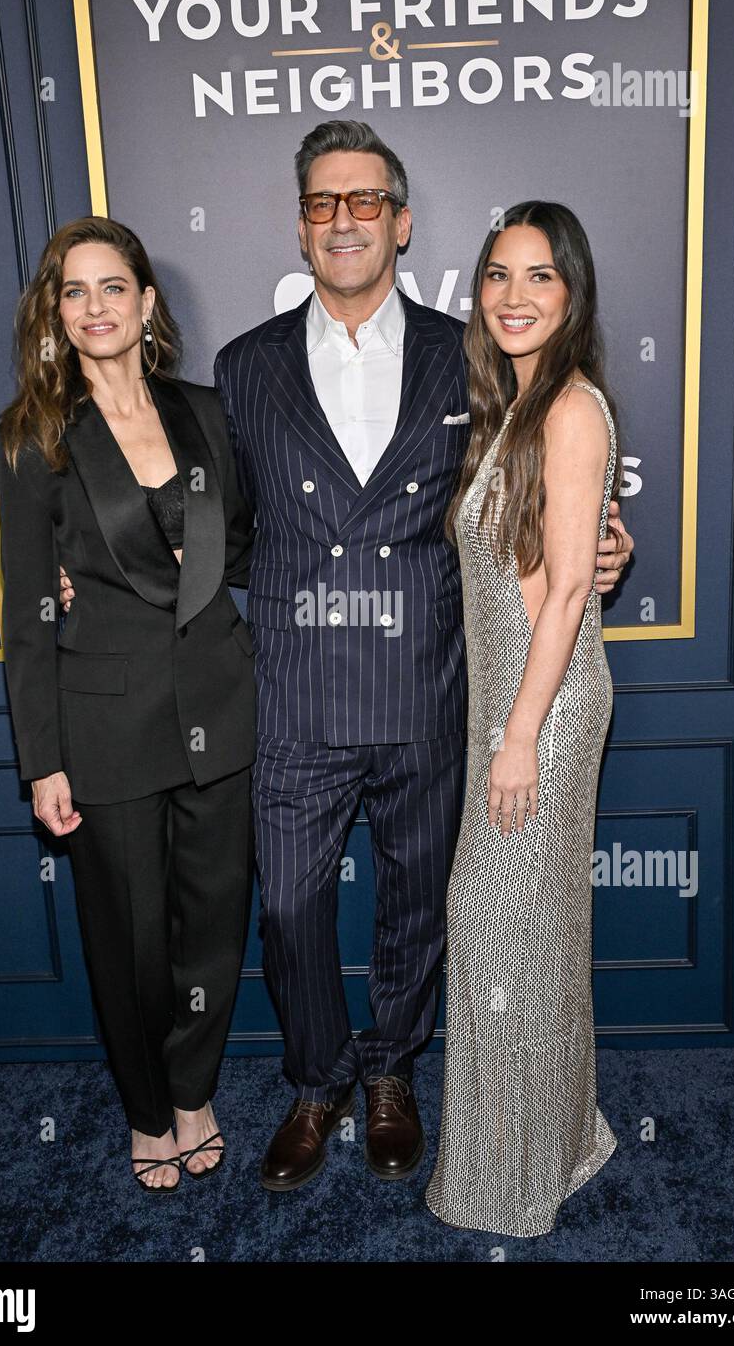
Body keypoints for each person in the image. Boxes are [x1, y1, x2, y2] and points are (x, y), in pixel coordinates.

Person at [211, 122, 633, 1192]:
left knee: (416, 901)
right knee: (291, 907)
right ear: (300, 225)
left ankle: (392, 1072)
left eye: (364, 201)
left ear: (401, 222)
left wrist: (600, 549)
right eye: (321, 203)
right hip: (298, 691)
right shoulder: (243, 366)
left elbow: (531, 497)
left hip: (431, 688)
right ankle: (318, 1082)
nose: (342, 220)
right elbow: (230, 529)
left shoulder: (471, 352)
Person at [0, 216, 256, 1193]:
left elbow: (250, 541)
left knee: (214, 924)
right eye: (74, 290)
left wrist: (210, 556)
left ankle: (194, 1092)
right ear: (54, 315)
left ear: (147, 304)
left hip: (221, 707)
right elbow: (23, 616)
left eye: (114, 286)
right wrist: (42, 758)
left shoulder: (206, 413)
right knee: (132, 939)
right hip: (105, 725)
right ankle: (148, 1110)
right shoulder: (32, 439)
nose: (96, 306)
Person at [425, 202, 621, 1236]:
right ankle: (555, 1138)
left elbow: (562, 600)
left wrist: (516, 732)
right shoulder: (514, 403)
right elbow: (552, 557)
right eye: (497, 275)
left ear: (572, 292)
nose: (513, 295)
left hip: (538, 708)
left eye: (538, 276)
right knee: (532, 936)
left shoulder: (571, 408)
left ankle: (511, 1177)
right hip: (505, 705)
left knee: (494, 922)